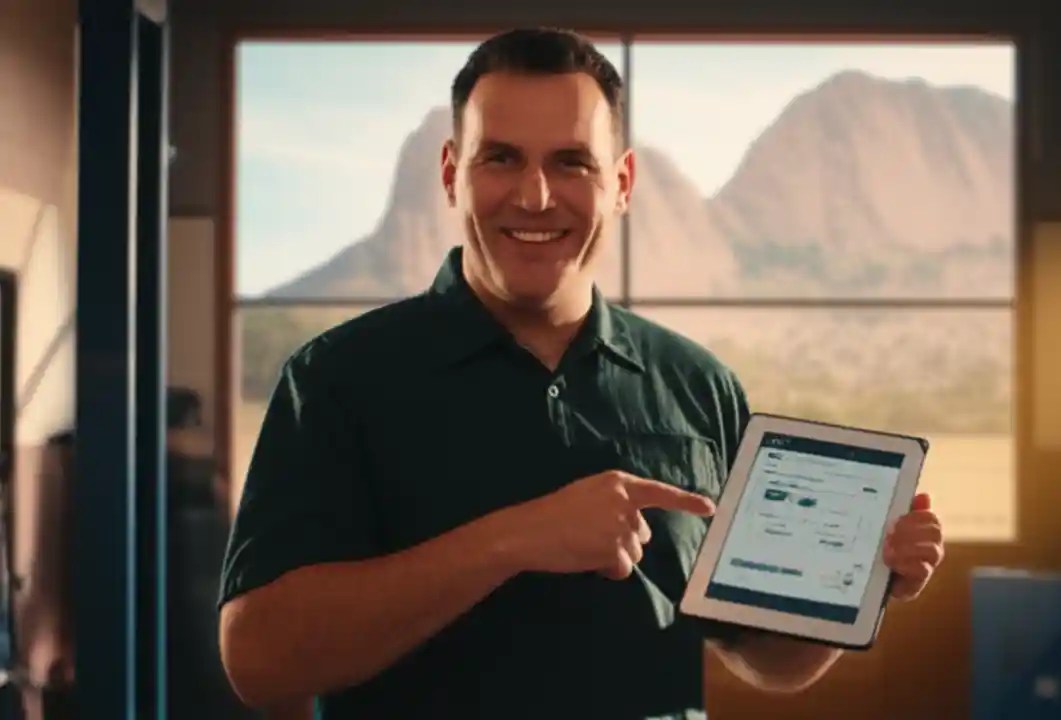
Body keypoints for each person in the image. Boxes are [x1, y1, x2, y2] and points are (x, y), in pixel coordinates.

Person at [218, 27, 945, 719]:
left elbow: (760, 656)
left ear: (622, 183)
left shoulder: (698, 385)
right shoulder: (337, 378)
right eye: (501, 157)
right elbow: (258, 659)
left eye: (572, 162)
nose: (536, 196)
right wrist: (514, 539)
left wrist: (862, 581)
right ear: (450, 175)